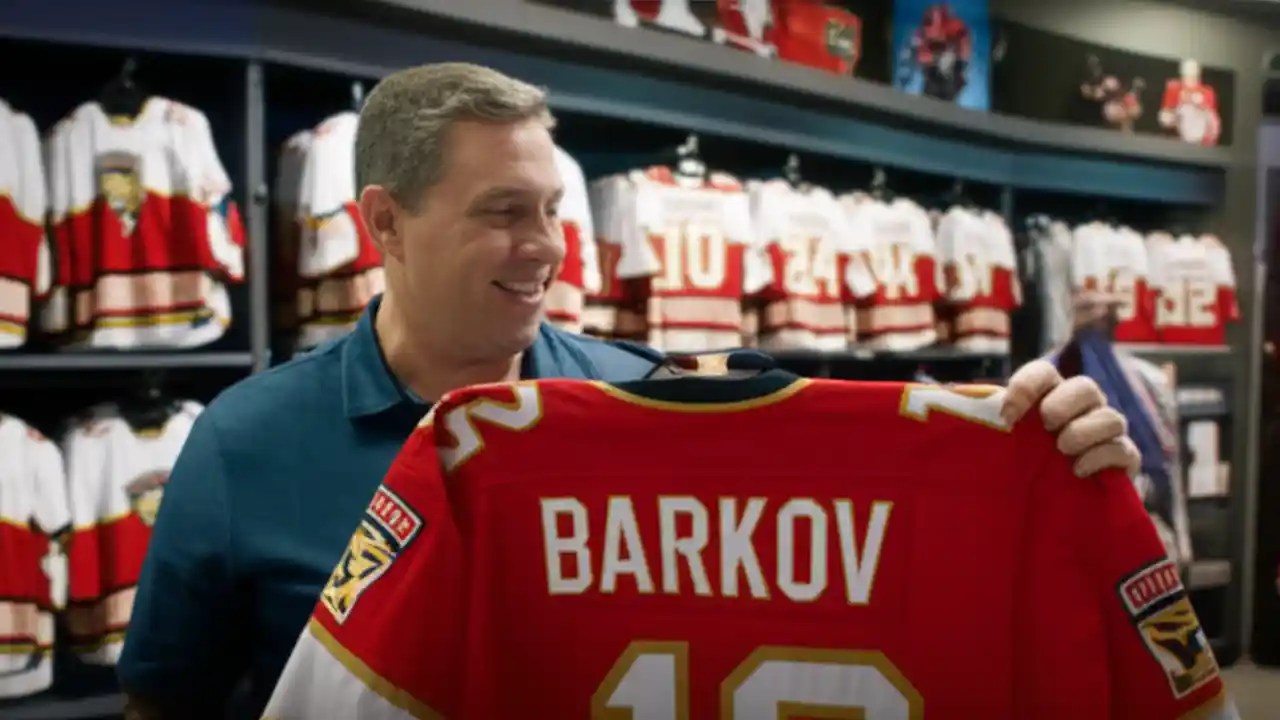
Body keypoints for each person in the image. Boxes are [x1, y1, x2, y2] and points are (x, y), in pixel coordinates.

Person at [117, 63, 1139, 719]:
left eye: (553, 209)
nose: (548, 249)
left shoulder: (649, 407)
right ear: (383, 224)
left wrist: (1041, 447)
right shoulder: (243, 440)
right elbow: (167, 702)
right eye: (503, 212)